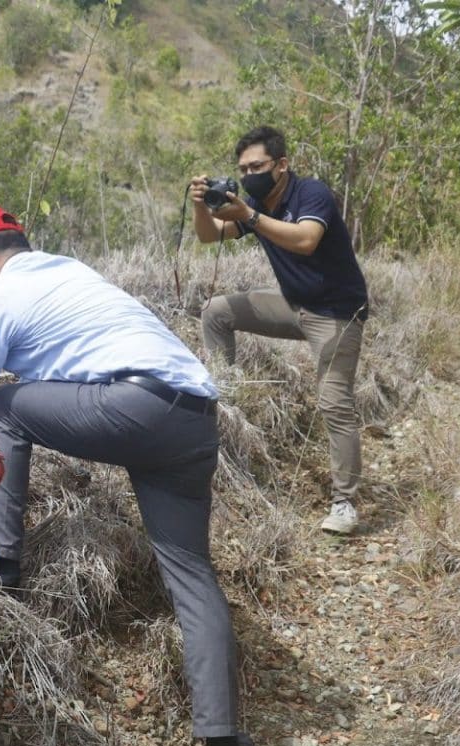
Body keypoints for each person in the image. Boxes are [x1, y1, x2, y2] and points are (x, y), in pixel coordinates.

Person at [0, 200, 259, 746]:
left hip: (134, 407)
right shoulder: (72, 274)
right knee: (190, 571)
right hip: (194, 419)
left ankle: (2, 571)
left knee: (3, 406)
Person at [191, 125, 371, 535]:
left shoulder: (311, 195)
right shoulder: (254, 201)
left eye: (257, 165)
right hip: (295, 305)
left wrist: (251, 216)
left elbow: (306, 240)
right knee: (217, 311)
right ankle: (226, 403)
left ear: (282, 165)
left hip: (338, 315)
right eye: (243, 167)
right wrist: (203, 206)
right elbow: (208, 236)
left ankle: (344, 503)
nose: (250, 172)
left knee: (333, 403)